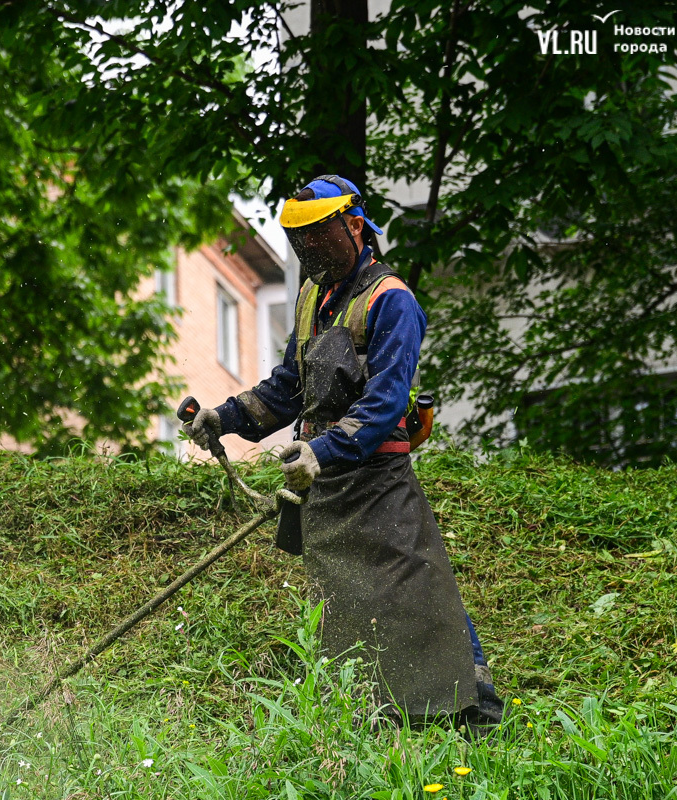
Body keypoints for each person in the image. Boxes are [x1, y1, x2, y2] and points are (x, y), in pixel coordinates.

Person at [184, 175, 503, 734]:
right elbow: (288, 386)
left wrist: (322, 450)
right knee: (346, 603)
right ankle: (372, 719)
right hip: (325, 480)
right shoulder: (312, 295)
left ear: (354, 225)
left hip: (377, 476)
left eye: (319, 238)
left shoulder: (392, 301)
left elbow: (381, 407)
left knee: (420, 588)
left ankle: (475, 707)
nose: (310, 252)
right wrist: (226, 418)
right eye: (301, 241)